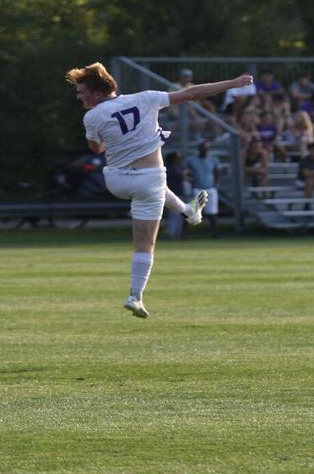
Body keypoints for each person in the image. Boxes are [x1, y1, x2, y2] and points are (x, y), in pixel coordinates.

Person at [70, 62, 249, 318]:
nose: (79, 96)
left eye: (81, 91)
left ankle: (189, 211)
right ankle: (135, 296)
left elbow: (96, 149)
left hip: (116, 181)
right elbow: (192, 93)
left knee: (155, 188)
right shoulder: (146, 98)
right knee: (144, 245)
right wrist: (232, 83)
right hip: (148, 180)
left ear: (97, 94)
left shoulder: (91, 116)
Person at [186, 140, 222, 230]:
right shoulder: (191, 160)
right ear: (199, 148)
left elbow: (217, 172)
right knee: (191, 211)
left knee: (212, 212)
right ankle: (183, 233)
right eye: (203, 147)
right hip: (197, 188)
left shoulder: (214, 160)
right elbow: (186, 172)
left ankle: (214, 233)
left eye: (206, 148)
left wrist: (215, 184)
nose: (204, 149)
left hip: (211, 188)